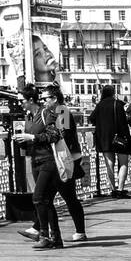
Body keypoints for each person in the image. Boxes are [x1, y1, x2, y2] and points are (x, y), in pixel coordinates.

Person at [14, 84, 64, 251]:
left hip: (48, 161)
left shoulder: (45, 113)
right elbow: (31, 138)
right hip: (35, 160)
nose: (20, 104)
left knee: (38, 197)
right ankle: (56, 238)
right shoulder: (29, 117)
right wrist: (23, 140)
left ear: (30, 100)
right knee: (46, 201)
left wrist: (32, 137)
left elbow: (54, 134)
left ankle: (44, 235)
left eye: (22, 101)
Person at [45, 83, 87, 241]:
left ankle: (43, 230)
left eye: (46, 98)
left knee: (63, 197)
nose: (44, 102)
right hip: (67, 158)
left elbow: (61, 134)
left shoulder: (61, 110)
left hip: (65, 159)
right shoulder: (59, 110)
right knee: (54, 197)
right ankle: (39, 228)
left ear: (54, 98)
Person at [89, 84, 131, 198]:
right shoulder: (117, 104)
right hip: (120, 137)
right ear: (113, 93)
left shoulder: (100, 105)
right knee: (123, 163)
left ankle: (113, 190)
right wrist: (127, 137)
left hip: (105, 139)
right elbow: (123, 123)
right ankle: (121, 189)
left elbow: (91, 118)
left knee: (109, 164)